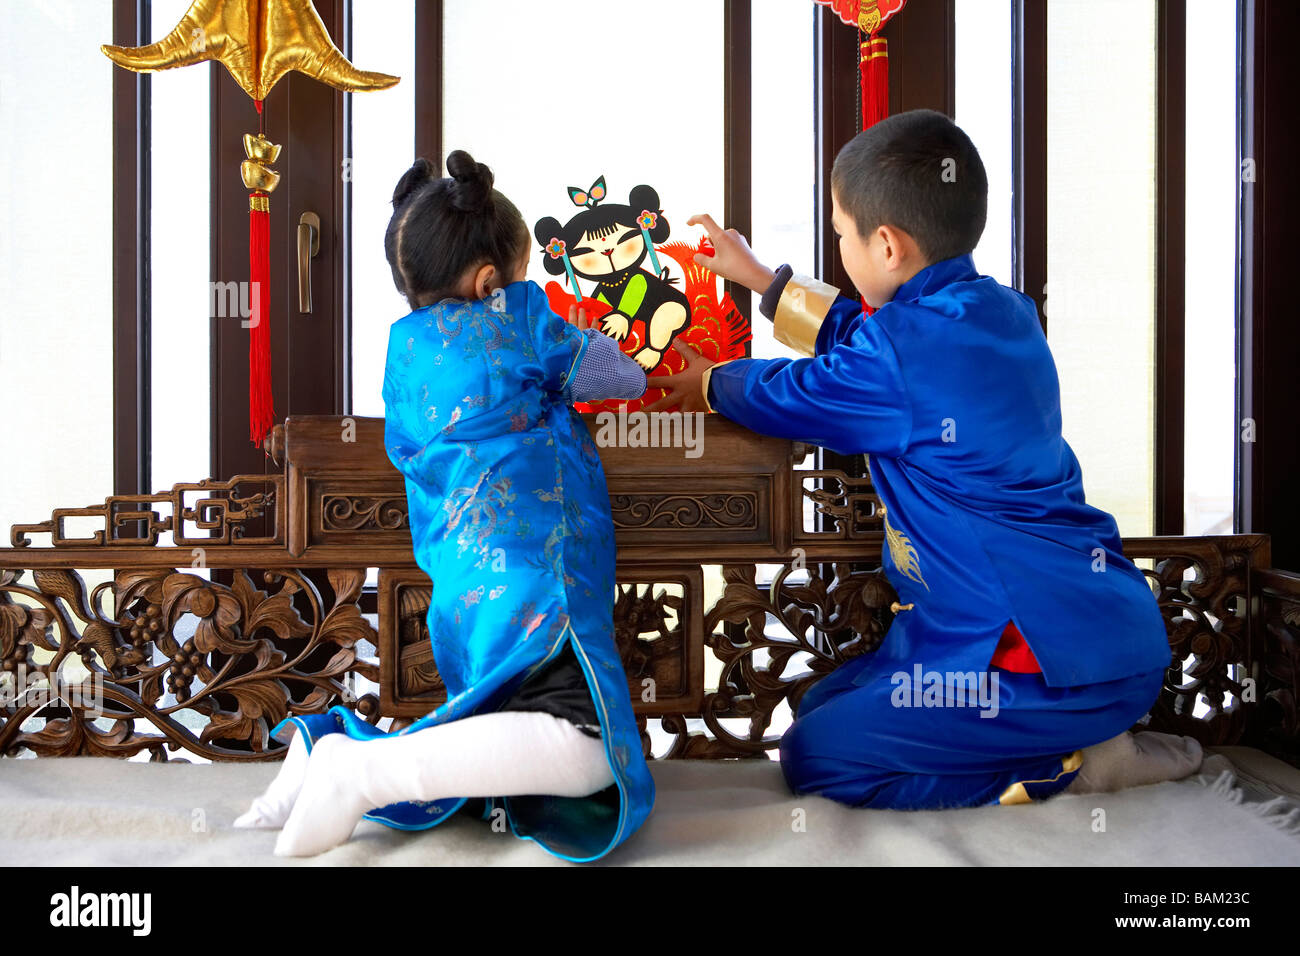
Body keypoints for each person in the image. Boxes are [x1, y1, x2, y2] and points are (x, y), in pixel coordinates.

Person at [645, 109, 1203, 809]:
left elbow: (808, 390)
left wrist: (712, 382)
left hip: (1039, 659)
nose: (839, 245)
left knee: (814, 754)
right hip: (1098, 637)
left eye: (840, 233)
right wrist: (764, 281)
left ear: (885, 245)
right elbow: (869, 342)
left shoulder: (900, 353)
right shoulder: (1001, 311)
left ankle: (1076, 764)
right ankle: (1080, 738)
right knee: (823, 701)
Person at [234, 150, 656, 859]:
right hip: (537, 576)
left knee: (498, 719)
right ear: (491, 280)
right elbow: (623, 377)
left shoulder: (403, 354)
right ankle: (359, 771)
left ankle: (322, 743)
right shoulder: (519, 317)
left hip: (462, 586)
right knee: (592, 749)